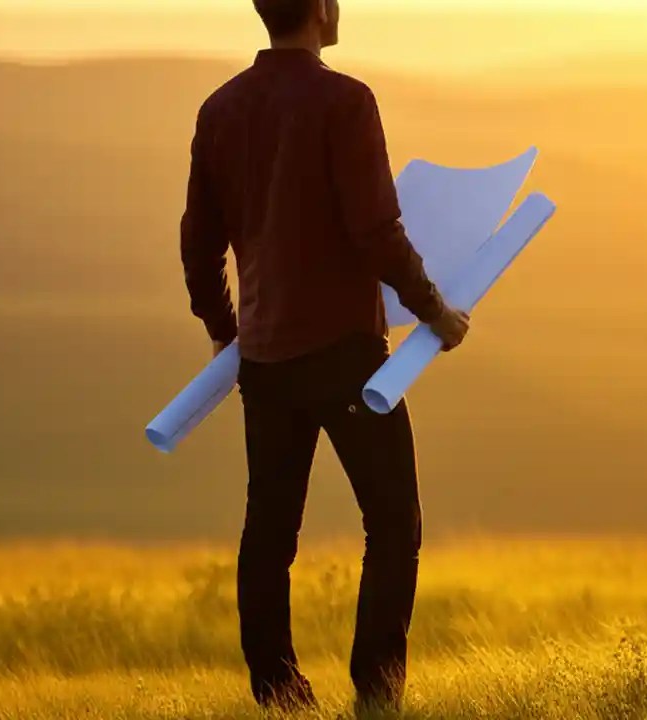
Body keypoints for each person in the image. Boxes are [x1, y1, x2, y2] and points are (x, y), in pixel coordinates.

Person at [178, 0, 470, 711]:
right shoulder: (346, 101)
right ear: (321, 9)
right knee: (394, 523)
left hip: (266, 361)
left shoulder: (220, 109)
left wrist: (224, 328)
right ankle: (376, 695)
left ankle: (279, 694)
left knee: (270, 530)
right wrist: (435, 310)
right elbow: (376, 231)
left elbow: (198, 243)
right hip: (348, 353)